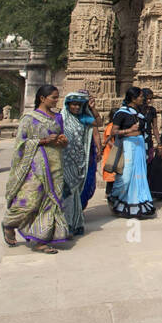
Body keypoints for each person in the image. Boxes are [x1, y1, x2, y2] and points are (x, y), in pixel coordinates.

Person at [1, 84, 69, 253]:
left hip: (55, 164)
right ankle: (9, 222)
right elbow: (20, 144)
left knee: (50, 201)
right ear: (42, 98)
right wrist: (43, 141)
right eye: (53, 97)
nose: (56, 100)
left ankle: (41, 239)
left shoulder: (58, 117)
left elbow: (61, 138)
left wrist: (62, 141)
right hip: (35, 166)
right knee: (30, 201)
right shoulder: (29, 118)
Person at [107, 87, 157, 219]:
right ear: (133, 98)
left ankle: (137, 206)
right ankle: (115, 197)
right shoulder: (121, 113)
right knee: (126, 176)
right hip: (127, 146)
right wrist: (129, 130)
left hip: (139, 145)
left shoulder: (139, 112)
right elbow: (113, 132)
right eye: (140, 96)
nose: (143, 98)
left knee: (139, 175)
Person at [59, 91, 97, 236]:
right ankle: (67, 224)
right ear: (67, 105)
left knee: (75, 193)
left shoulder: (83, 118)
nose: (76, 107)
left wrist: (93, 108)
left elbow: (97, 123)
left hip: (78, 162)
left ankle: (75, 222)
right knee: (66, 193)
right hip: (64, 162)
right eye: (73, 104)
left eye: (79, 105)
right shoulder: (60, 118)